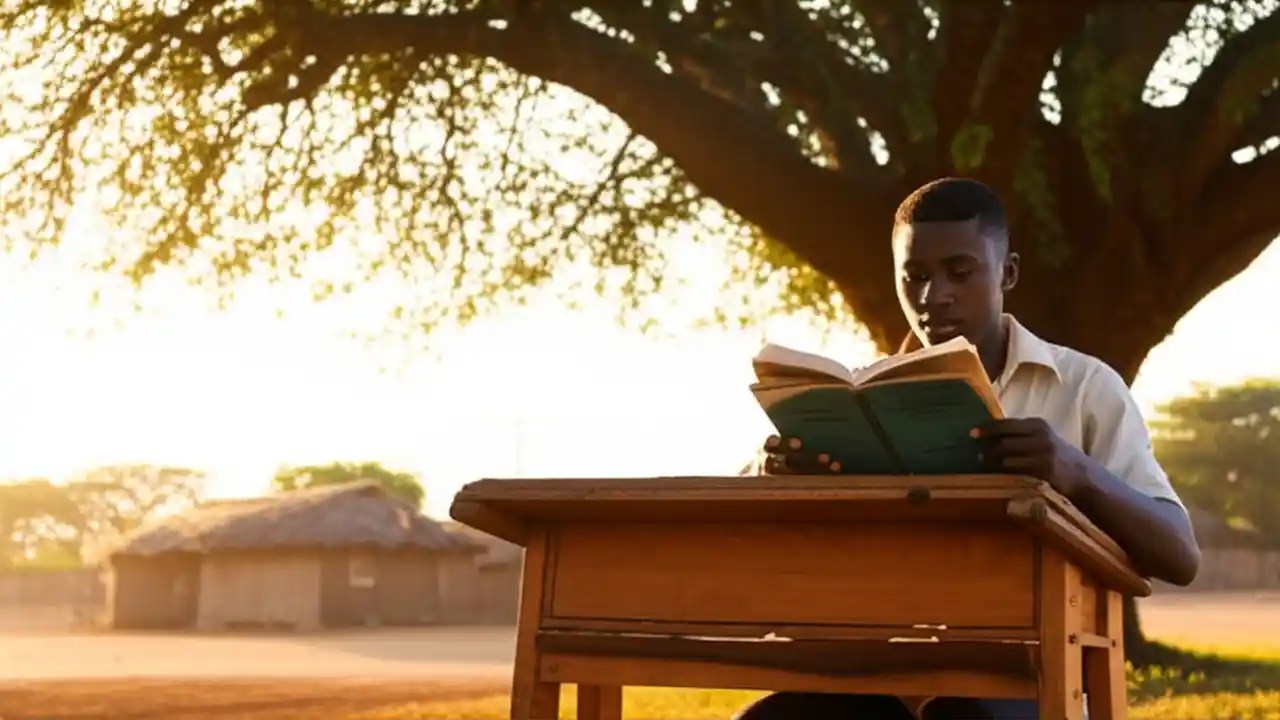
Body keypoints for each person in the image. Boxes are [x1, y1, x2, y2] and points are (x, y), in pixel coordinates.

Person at [737, 177, 1201, 720]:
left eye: (960, 272)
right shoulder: (858, 396)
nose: (935, 296)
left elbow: (1180, 555)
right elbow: (748, 530)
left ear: (1008, 272)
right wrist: (777, 473)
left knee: (959, 714)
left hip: (1027, 670)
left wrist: (1073, 471)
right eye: (914, 277)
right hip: (877, 670)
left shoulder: (1083, 387)